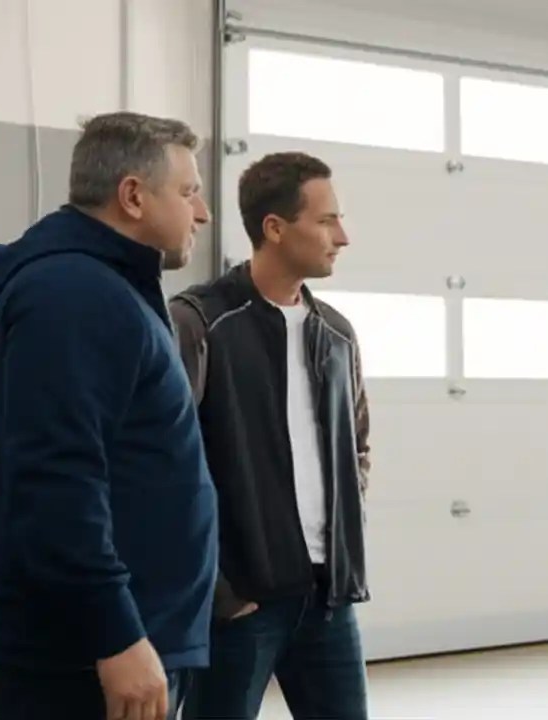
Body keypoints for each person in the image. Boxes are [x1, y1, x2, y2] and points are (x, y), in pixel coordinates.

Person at [0, 111, 217, 720]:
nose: (203, 212)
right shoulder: (73, 295)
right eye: (189, 192)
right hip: (83, 663)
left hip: (124, 643)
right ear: (133, 195)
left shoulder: (109, 286)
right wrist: (116, 635)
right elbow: (57, 485)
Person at [170, 151, 371, 720]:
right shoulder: (198, 321)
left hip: (327, 598)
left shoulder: (337, 333)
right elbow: (166, 464)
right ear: (275, 229)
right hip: (238, 602)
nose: (343, 236)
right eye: (327, 220)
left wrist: (339, 546)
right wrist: (216, 590)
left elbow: (357, 446)